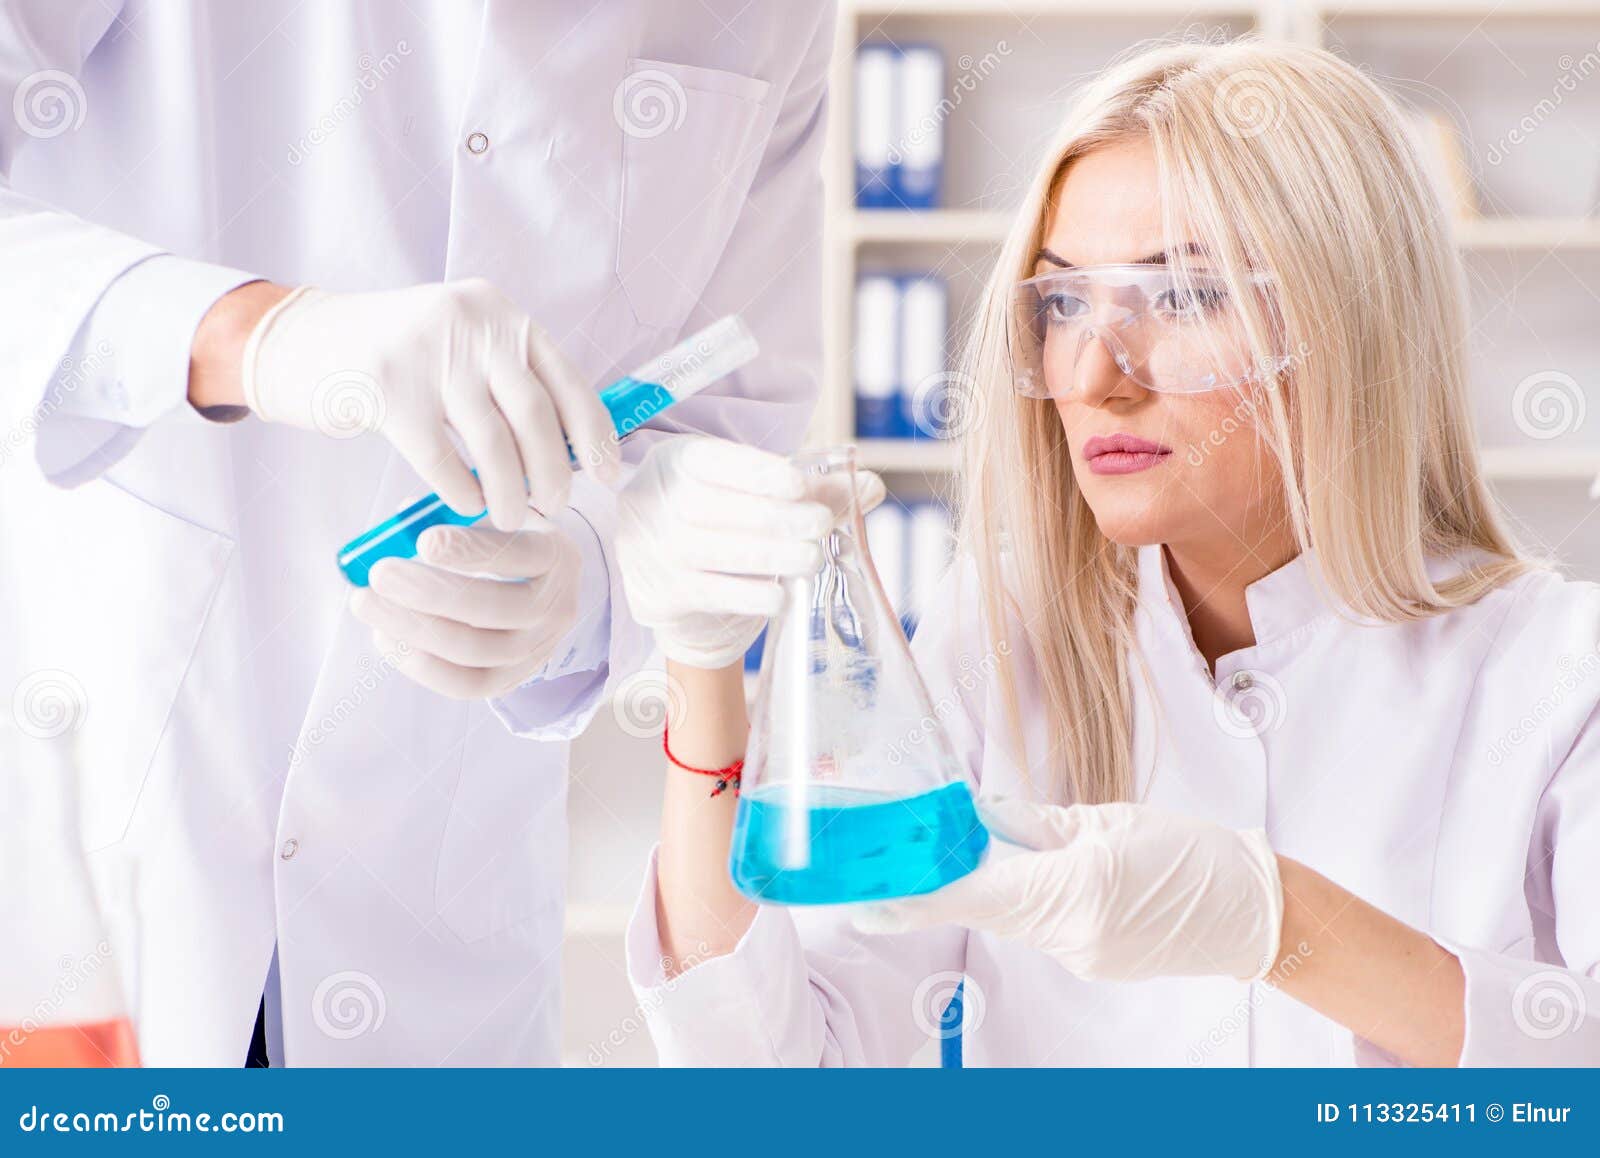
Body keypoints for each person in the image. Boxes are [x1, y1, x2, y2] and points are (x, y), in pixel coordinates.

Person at [612, 39, 1600, 1066]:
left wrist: (1280, 925)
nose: (1094, 374)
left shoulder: (1558, 673)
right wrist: (702, 663)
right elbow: (776, 1082)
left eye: (1181, 297)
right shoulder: (995, 643)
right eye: (1064, 302)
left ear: (1347, 322)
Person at [0, 1, 835, 1064]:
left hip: (438, 939)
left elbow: (727, 415)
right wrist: (251, 334)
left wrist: (579, 579)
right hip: (106, 828)